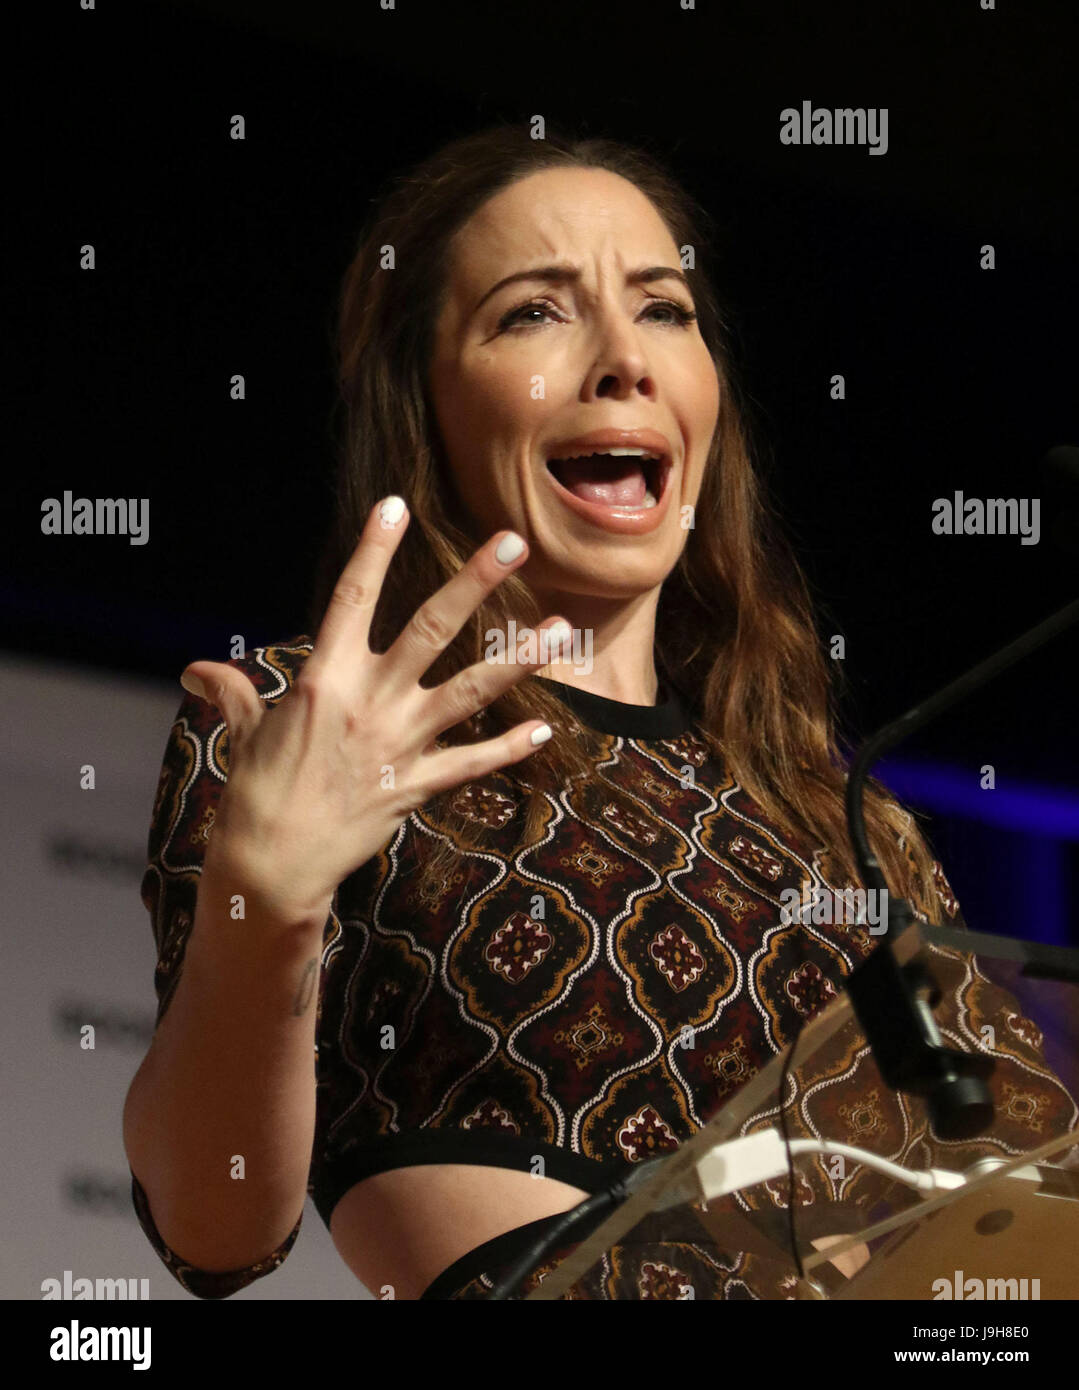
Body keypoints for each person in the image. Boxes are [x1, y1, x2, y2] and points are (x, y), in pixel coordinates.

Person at [122, 124, 1078, 1301]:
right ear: (420, 403)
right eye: (534, 312)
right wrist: (263, 907)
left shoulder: (849, 821)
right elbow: (210, 1227)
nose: (625, 358)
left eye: (664, 309)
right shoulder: (309, 729)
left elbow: (1023, 1210)